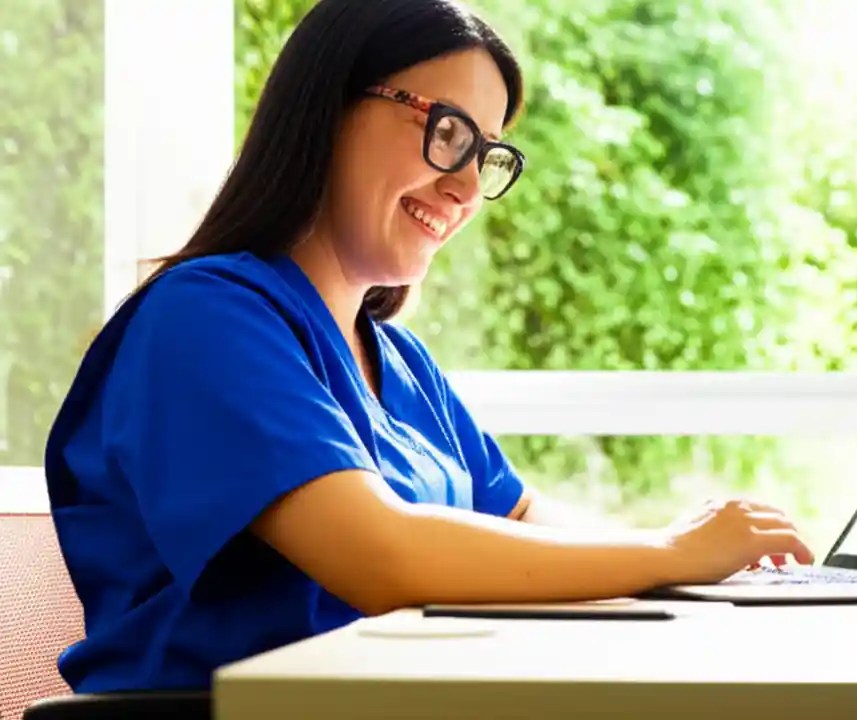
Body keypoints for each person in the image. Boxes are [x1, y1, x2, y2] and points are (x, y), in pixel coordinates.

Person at [42, 0, 813, 693]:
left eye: (489, 155)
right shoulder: (204, 318)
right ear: (328, 109)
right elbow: (385, 557)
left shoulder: (399, 362)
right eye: (449, 133)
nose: (469, 188)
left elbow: (527, 529)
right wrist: (672, 551)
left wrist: (718, 571)